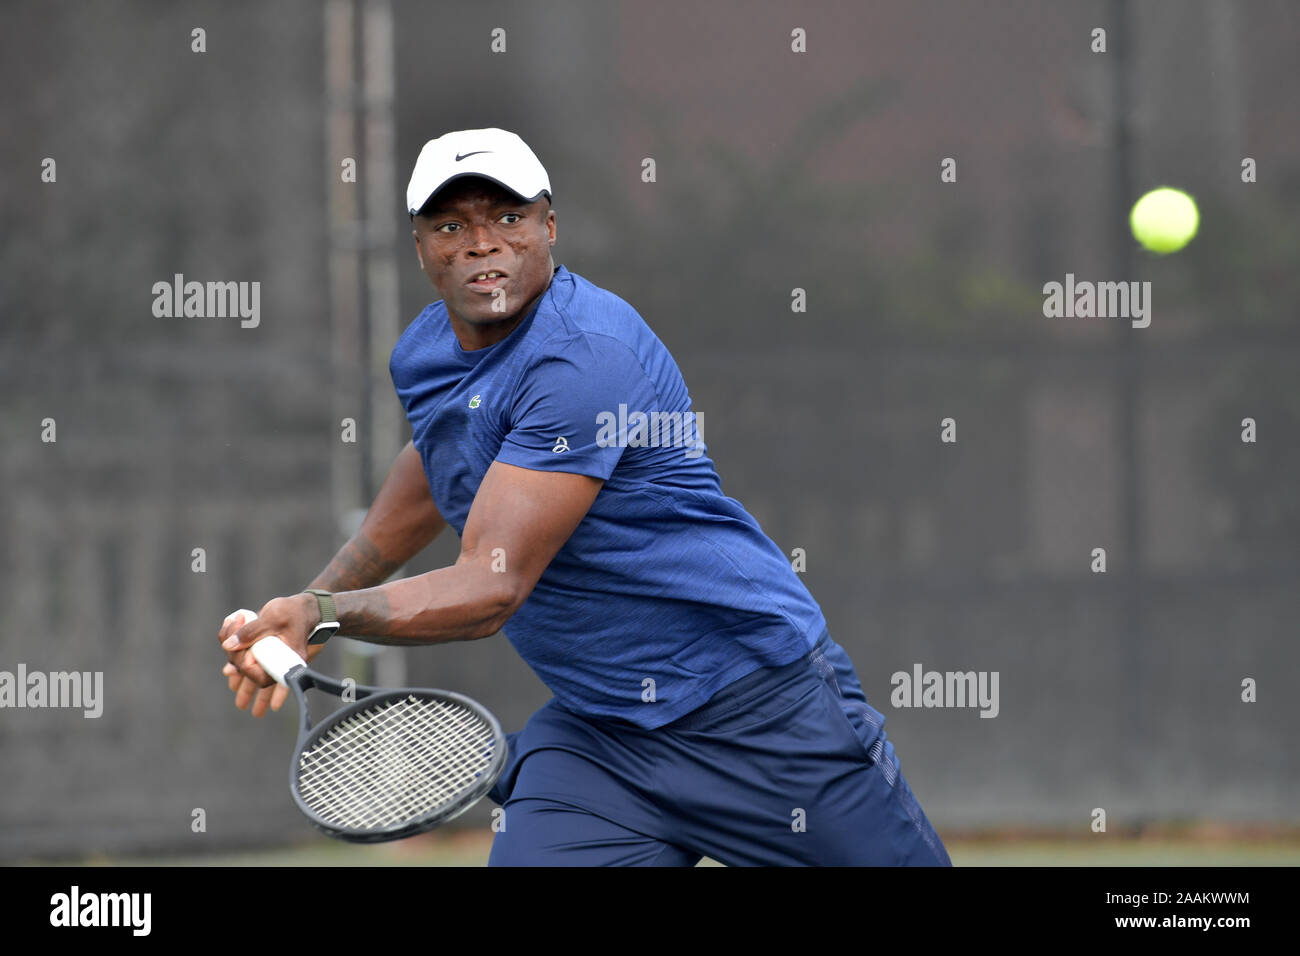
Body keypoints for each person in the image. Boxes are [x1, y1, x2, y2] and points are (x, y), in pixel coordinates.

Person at [219, 127, 951, 866]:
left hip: (757, 710)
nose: (481, 244)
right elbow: (437, 472)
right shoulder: (426, 353)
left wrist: (322, 617)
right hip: (603, 742)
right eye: (451, 226)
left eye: (508, 218)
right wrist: (305, 609)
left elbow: (491, 587)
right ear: (420, 248)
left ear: (550, 226)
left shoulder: (585, 358)